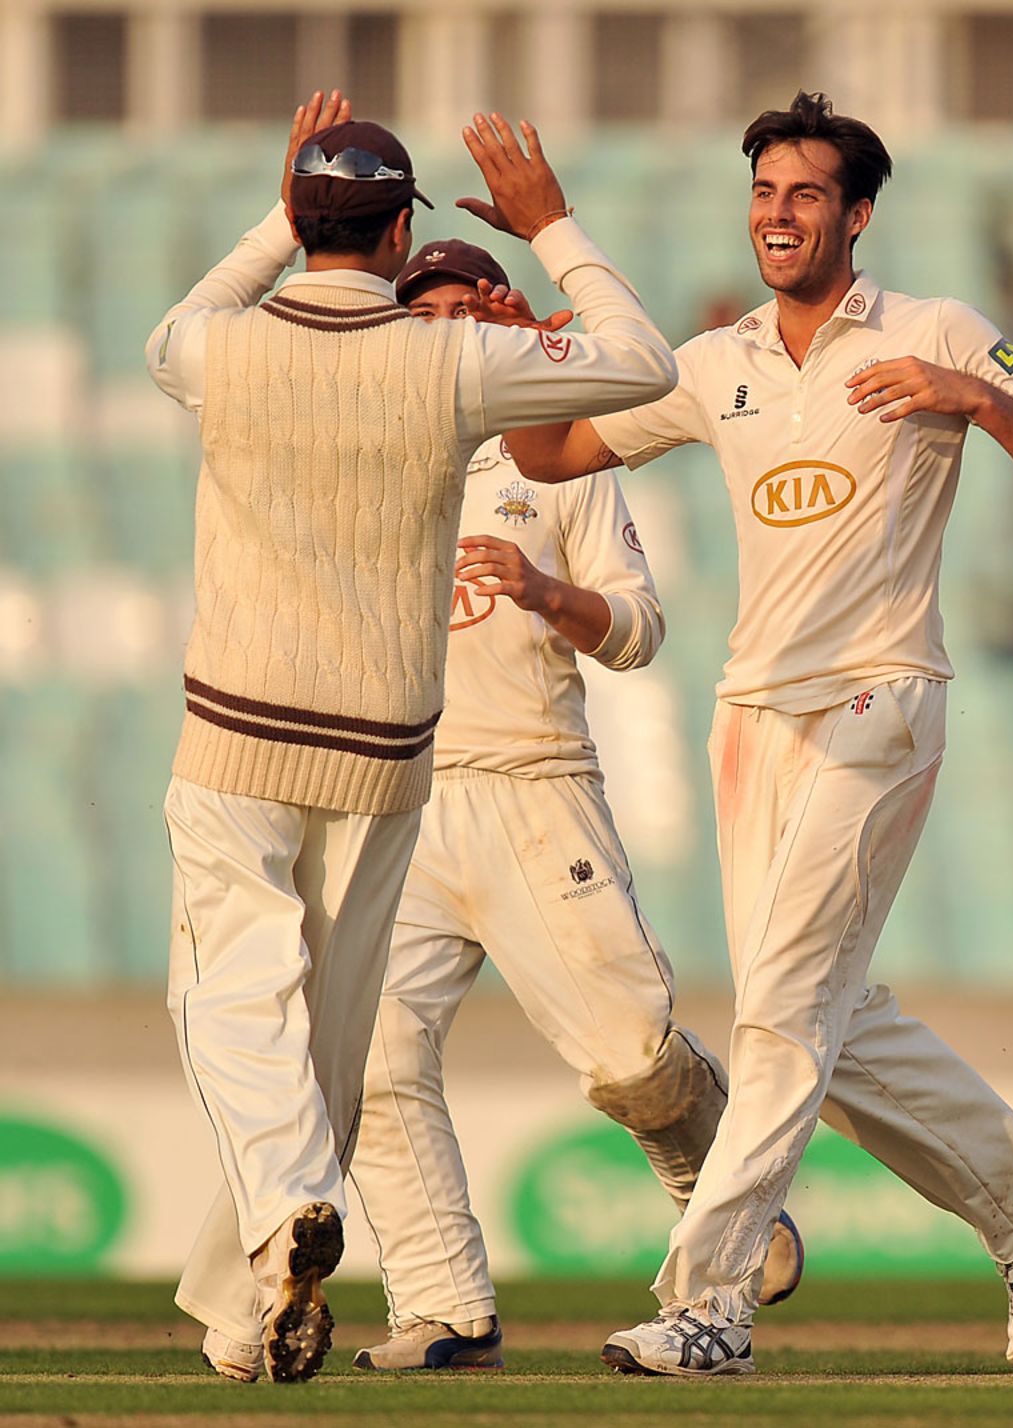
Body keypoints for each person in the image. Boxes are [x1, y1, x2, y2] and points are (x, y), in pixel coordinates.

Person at [503, 91, 1013, 1378]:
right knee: (823, 1021)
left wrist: (974, 396)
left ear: (858, 214)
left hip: (883, 695)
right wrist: (525, 347)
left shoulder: (937, 331)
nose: (777, 217)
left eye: (804, 195)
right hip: (753, 716)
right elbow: (552, 452)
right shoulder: (714, 362)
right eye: (764, 194)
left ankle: (707, 1302)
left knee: (783, 1006)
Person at [182, 240, 804, 1384]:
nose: (454, 325)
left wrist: (543, 591)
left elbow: (639, 628)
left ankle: (714, 1192)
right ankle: (445, 1308)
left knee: (629, 1063)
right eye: (432, 309)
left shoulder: (551, 459)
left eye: (473, 308)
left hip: (535, 787)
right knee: (370, 1061)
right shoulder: (371, 452)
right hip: (403, 794)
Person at [146, 91, 679, 1383]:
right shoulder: (456, 362)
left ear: (307, 220)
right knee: (337, 1039)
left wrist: (283, 215)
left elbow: (173, 331)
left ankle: (284, 1215)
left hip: (241, 737)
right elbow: (645, 361)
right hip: (390, 755)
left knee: (227, 998)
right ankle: (245, 1315)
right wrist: (552, 227)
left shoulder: (218, 349)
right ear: (396, 242)